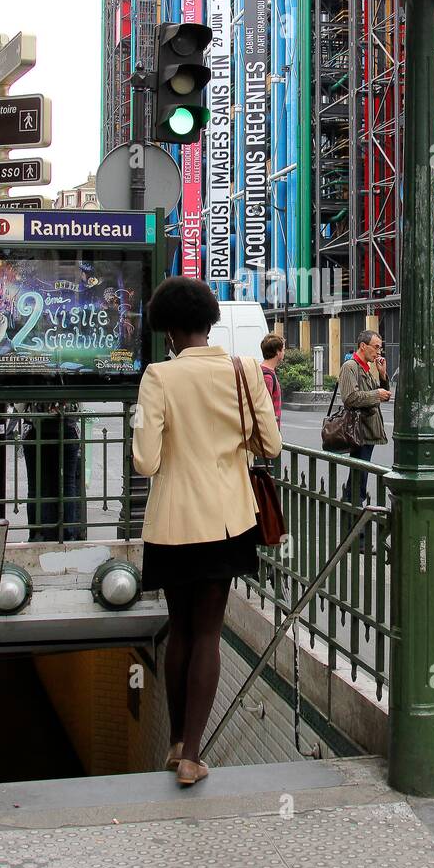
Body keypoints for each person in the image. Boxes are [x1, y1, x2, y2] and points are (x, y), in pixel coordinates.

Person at [132, 277, 281, 788]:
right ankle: (193, 754)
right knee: (209, 632)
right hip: (228, 519)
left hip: (173, 521)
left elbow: (145, 460)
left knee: (180, 626)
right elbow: (272, 446)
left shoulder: (159, 377)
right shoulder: (243, 371)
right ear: (209, 321)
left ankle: (176, 740)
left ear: (171, 329)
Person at [338, 329, 391, 503]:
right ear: (363, 346)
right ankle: (353, 514)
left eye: (380, 348)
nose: (378, 352)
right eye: (376, 347)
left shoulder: (365, 368)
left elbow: (382, 393)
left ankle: (353, 509)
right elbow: (350, 398)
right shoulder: (350, 367)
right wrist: (377, 394)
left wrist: (382, 375)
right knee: (359, 476)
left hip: (367, 431)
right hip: (359, 431)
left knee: (360, 475)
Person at [260, 332, 286, 428]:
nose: (284, 352)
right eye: (283, 350)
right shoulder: (267, 376)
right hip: (269, 431)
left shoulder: (263, 371)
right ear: (277, 352)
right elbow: (264, 408)